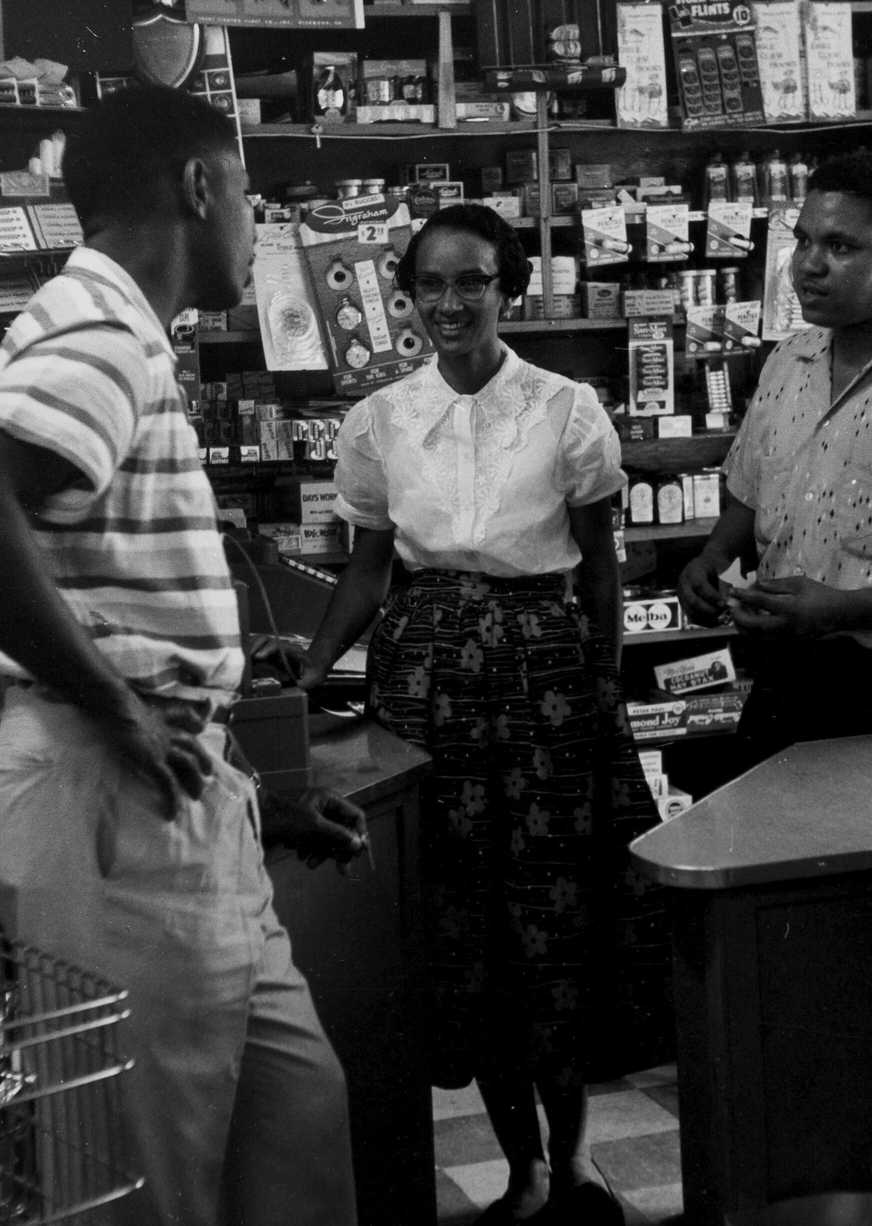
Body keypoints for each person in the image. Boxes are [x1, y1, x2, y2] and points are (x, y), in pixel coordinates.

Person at [0, 84, 366, 1226]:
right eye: (251, 194)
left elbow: (111, 590)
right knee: (138, 1179)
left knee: (295, 1126)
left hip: (181, 809)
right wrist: (111, 705)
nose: (254, 226)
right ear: (200, 187)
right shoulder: (103, 327)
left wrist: (250, 794)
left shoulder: (117, 331)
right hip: (113, 805)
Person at [301, 203, 670, 1225]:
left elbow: (598, 564)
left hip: (547, 680)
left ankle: (577, 1157)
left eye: (473, 281)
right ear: (408, 292)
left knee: (552, 912)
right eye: (431, 284)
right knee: (459, 917)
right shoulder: (380, 420)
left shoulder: (565, 408)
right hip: (425, 684)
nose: (451, 302)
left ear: (507, 285)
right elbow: (368, 569)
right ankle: (522, 1168)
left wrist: (601, 688)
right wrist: (311, 670)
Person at [679, 150, 872, 768]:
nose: (808, 266)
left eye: (841, 247)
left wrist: (843, 609)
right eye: (801, 242)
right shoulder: (787, 360)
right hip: (789, 681)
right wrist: (714, 556)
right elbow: (751, 490)